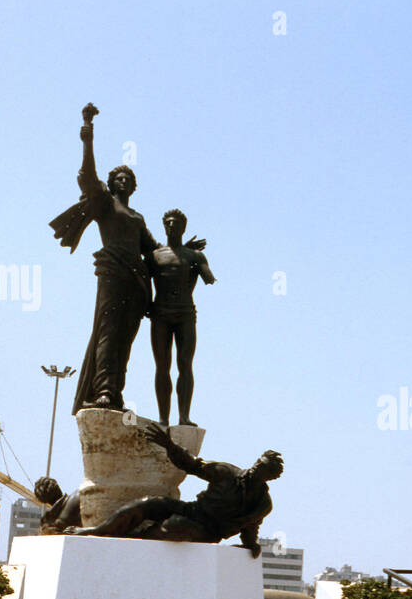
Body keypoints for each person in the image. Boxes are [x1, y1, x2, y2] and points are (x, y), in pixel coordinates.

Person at [51, 104, 159, 413]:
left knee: (125, 341)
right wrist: (88, 135)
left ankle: (116, 393)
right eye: (119, 177)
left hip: (137, 282)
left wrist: (182, 250)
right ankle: (103, 390)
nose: (123, 180)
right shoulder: (106, 204)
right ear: (112, 184)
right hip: (112, 273)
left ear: (134, 186)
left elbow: (153, 250)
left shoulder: (137, 218)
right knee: (108, 333)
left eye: (128, 178)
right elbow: (88, 176)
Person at [73, 421, 283, 549]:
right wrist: (169, 446)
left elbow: (251, 526)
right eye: (258, 463)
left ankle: (131, 541)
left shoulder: (263, 504)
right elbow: (192, 465)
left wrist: (250, 545)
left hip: (208, 531)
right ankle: (97, 531)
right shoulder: (227, 473)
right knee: (148, 504)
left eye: (263, 469)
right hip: (192, 510)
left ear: (269, 477)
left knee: (175, 527)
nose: (256, 468)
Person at [150, 209, 215, 426]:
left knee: (185, 364)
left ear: (183, 227)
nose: (171, 226)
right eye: (168, 223)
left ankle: (184, 416)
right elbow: (140, 280)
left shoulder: (194, 256)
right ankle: (163, 419)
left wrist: (196, 260)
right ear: (163, 226)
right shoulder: (155, 255)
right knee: (162, 365)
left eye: (176, 223)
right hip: (160, 313)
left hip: (185, 313)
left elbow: (209, 277)